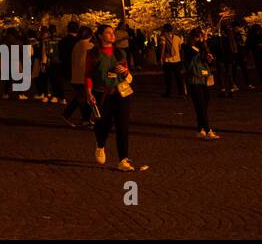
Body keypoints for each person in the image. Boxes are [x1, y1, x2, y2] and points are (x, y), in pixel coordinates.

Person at [85, 24, 147, 172]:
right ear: (100, 36)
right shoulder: (93, 53)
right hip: (102, 93)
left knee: (123, 126)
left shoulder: (120, 53)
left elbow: (129, 77)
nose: (112, 35)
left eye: (113, 33)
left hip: (121, 93)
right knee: (103, 124)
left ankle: (123, 160)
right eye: (108, 33)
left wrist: (125, 72)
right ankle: (100, 145)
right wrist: (89, 92)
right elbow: (88, 75)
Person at [184, 28, 219, 139]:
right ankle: (208, 130)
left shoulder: (202, 47)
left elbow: (207, 59)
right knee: (200, 105)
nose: (199, 39)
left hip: (204, 78)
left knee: (204, 105)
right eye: (197, 37)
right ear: (192, 37)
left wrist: (209, 57)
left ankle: (200, 129)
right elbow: (193, 53)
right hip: (194, 79)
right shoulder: (187, 47)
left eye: (200, 37)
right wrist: (202, 44)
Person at [62, 26, 94, 127]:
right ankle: (81, 118)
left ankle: (85, 119)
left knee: (81, 98)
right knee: (85, 99)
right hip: (85, 76)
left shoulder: (77, 44)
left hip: (76, 76)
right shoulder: (90, 46)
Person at [159, 25, 185, 98]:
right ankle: (181, 93)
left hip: (167, 60)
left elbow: (163, 48)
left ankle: (168, 93)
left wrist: (161, 58)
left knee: (168, 78)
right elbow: (180, 48)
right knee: (178, 77)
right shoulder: (177, 38)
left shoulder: (163, 37)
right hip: (177, 60)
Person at [246, 25, 262, 90]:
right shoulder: (252, 36)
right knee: (260, 68)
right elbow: (249, 44)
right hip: (257, 54)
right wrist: (258, 45)